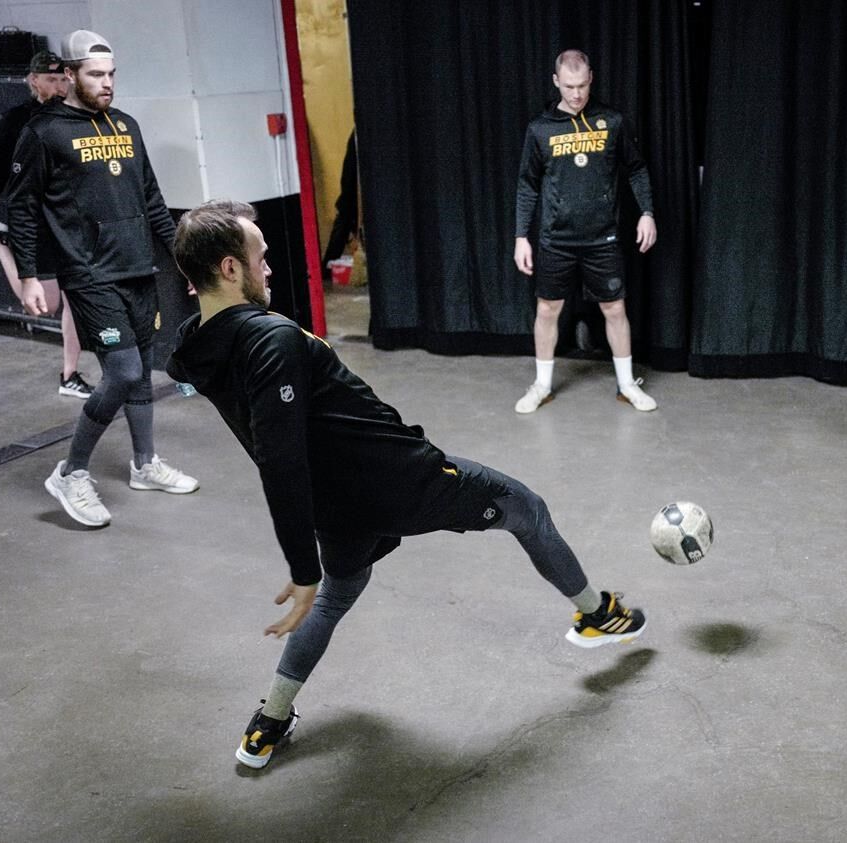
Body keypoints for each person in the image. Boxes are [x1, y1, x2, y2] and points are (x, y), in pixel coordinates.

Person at [168, 199, 647, 769]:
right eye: (260, 257)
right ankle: (596, 615)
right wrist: (301, 569)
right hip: (402, 481)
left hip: (338, 504)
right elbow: (280, 460)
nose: (269, 267)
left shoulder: (199, 344)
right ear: (228, 269)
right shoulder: (269, 340)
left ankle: (270, 719)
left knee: (340, 594)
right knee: (525, 507)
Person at [6, 30, 198, 527]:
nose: (107, 83)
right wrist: (30, 276)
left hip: (137, 266)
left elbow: (152, 199)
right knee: (125, 372)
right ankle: (70, 472)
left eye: (111, 74)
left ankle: (144, 464)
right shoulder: (44, 131)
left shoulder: (126, 126)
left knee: (142, 366)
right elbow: (23, 211)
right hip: (89, 273)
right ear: (69, 75)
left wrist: (185, 257)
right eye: (96, 74)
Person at [513, 49, 658, 414]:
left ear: (591, 78)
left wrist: (647, 213)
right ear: (556, 81)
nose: (576, 94)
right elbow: (527, 184)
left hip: (602, 238)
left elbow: (636, 169)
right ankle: (542, 385)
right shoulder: (540, 128)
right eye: (569, 87)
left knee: (614, 307)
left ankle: (627, 385)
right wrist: (520, 237)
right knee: (547, 308)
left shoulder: (612, 121)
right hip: (555, 239)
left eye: (582, 86)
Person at [0, 50, 94, 399]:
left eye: (60, 79)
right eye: (49, 79)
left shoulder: (76, 116)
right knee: (44, 305)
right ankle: (0, 243)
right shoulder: (15, 120)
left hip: (70, 221)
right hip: (32, 221)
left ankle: (69, 374)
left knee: (76, 300)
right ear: (33, 80)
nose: (56, 86)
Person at [320, 127, 360, 281]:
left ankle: (327, 268)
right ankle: (326, 268)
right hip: (352, 193)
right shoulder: (360, 134)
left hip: (350, 193)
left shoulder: (356, 134)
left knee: (341, 227)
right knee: (342, 227)